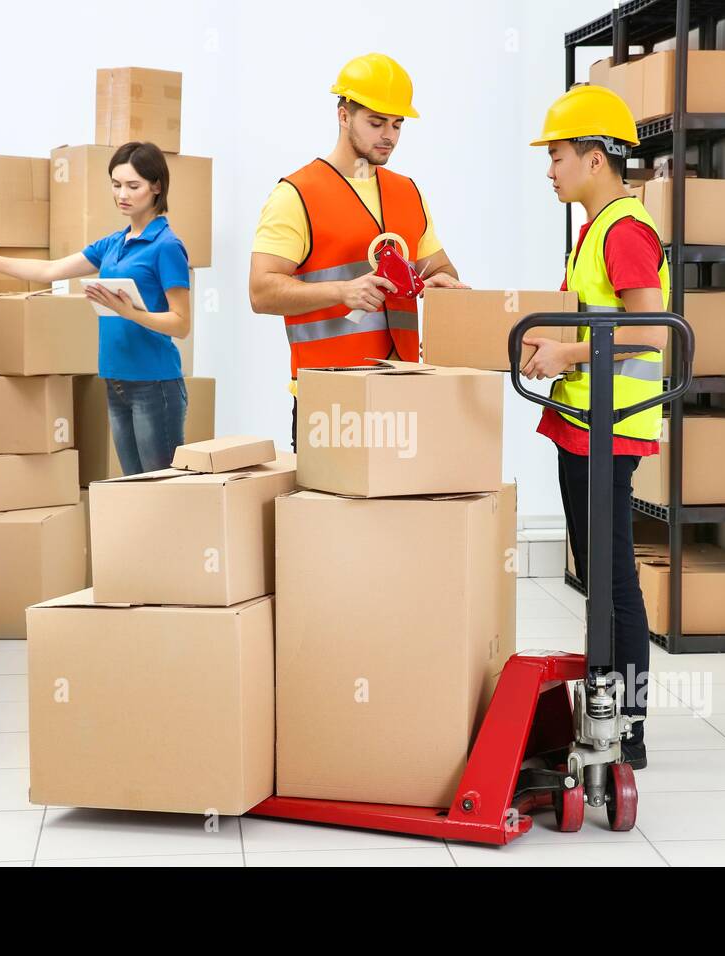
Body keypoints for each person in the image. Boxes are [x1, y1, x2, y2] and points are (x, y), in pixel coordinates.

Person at [520, 85, 671, 770]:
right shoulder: (592, 230)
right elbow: (590, 319)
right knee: (597, 574)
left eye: (557, 156)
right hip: (582, 421)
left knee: (612, 580)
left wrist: (568, 353)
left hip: (610, 426)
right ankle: (607, 710)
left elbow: (648, 333)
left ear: (595, 158)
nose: (549, 170)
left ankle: (628, 727)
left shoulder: (625, 230)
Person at [248, 52, 467, 448]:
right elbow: (260, 292)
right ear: (343, 115)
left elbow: (440, 267)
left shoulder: (408, 191)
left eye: (398, 124)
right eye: (376, 122)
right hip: (329, 399)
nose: (389, 135)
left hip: (402, 391)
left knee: (399, 511)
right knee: (330, 511)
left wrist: (441, 282)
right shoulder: (296, 194)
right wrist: (340, 291)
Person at [0, 141, 191, 474]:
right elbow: (49, 270)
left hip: (154, 385)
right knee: (134, 489)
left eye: (133, 185)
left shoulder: (167, 246)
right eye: (116, 185)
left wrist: (130, 312)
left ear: (156, 186)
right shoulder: (113, 244)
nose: (122, 194)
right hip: (116, 380)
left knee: (160, 492)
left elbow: (181, 323)